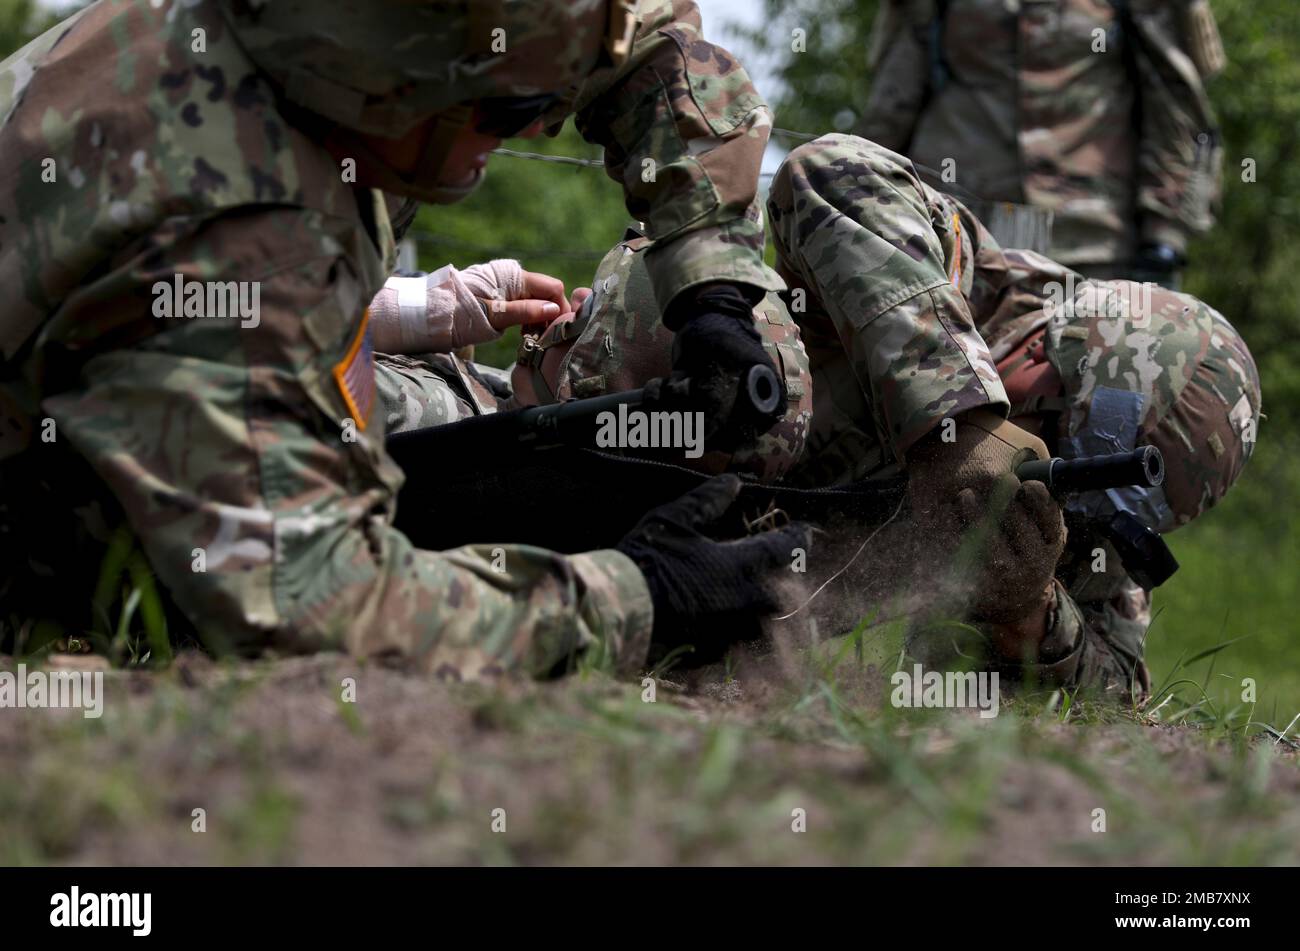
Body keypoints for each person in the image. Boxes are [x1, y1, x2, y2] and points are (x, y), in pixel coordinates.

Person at [0, 0, 807, 678]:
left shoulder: (335, 30)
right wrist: (634, 599)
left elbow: (637, 39)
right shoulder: (238, 232)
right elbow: (302, 601)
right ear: (402, 91)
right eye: (514, 114)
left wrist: (712, 286)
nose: (511, 144)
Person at [765, 134, 1260, 699]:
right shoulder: (962, 277)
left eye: (1079, 494)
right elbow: (830, 168)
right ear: (1037, 350)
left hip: (703, 587)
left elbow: (1118, 686)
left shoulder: (1085, 512)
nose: (1047, 477)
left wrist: (1030, 615)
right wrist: (960, 427)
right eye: (1053, 437)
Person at [857, 0, 1226, 287]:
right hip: (952, 237)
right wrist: (859, 200)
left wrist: (1165, 237)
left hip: (1090, 242)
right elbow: (894, 98)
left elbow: (1175, 104)